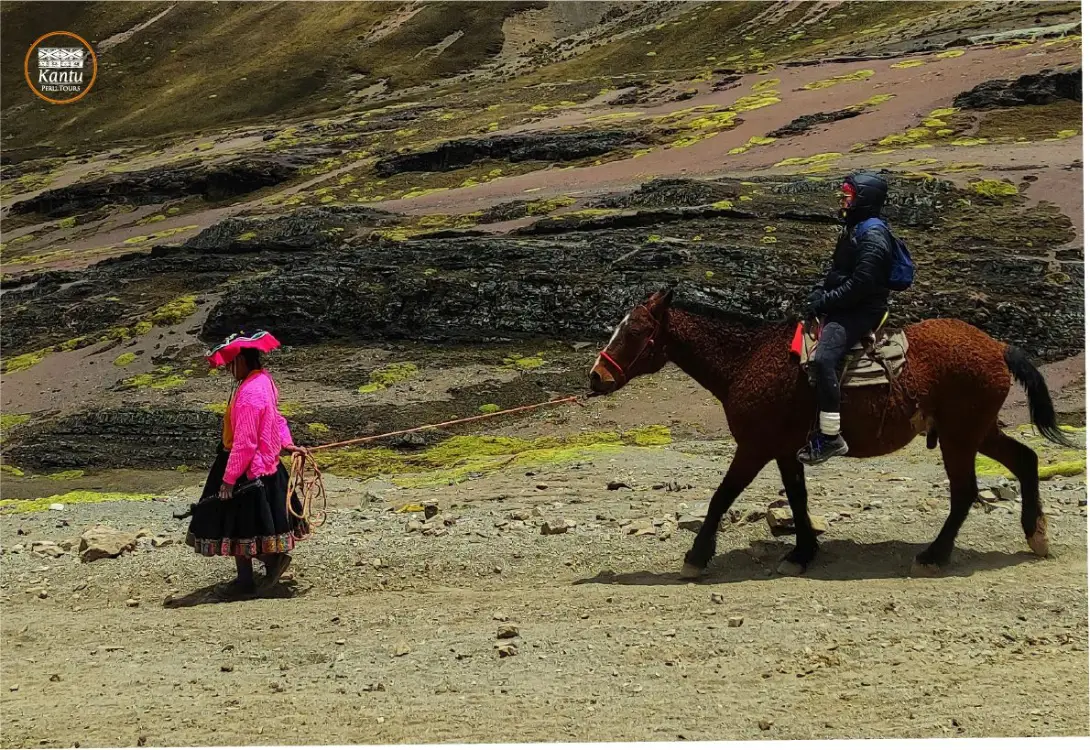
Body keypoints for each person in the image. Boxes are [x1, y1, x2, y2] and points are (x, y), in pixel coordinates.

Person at [185, 330, 309, 598]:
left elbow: (245, 442)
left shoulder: (249, 394)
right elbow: (276, 419)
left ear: (241, 359)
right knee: (250, 526)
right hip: (265, 464)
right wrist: (286, 443)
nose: (229, 369)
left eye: (231, 363)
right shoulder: (264, 381)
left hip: (246, 468)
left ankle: (258, 572)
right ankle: (252, 575)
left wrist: (229, 479)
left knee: (238, 525)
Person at [798, 171, 895, 466]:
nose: (842, 200)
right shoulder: (855, 228)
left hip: (862, 310)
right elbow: (840, 273)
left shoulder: (873, 235)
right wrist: (819, 291)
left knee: (823, 359)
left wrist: (825, 302)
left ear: (864, 200)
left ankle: (831, 437)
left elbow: (861, 285)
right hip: (847, 302)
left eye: (847, 195)